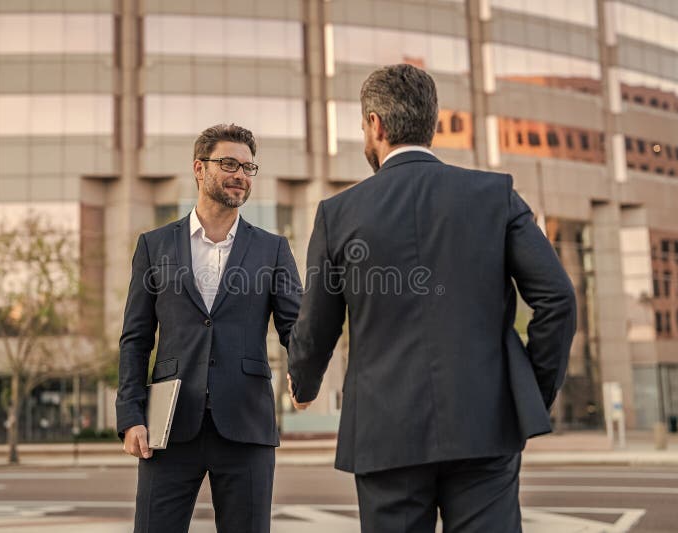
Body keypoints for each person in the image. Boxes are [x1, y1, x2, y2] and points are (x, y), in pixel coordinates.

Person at [286, 64, 576, 532]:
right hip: (486, 423)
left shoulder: (338, 214)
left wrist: (303, 382)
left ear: (376, 124)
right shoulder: (495, 195)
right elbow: (558, 299)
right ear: (432, 123)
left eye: (363, 126)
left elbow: (318, 322)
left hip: (385, 433)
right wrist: (528, 391)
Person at [117, 123, 301, 533]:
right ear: (199, 169)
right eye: (229, 164)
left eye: (249, 167)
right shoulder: (155, 245)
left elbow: (296, 327)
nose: (241, 175)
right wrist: (131, 415)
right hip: (168, 426)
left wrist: (306, 371)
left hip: (246, 426)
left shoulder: (273, 249)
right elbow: (135, 339)